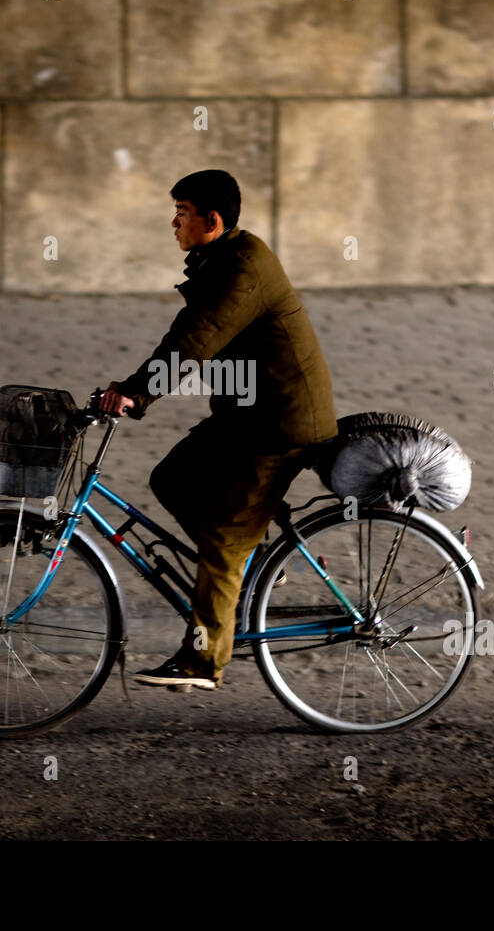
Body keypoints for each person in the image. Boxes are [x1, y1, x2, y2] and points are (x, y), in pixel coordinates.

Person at [98, 169, 338, 689]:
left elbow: (195, 340)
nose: (173, 224)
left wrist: (137, 392)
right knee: (173, 478)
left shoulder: (242, 268)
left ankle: (202, 660)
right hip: (247, 416)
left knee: (225, 541)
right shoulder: (223, 257)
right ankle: (244, 567)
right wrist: (135, 385)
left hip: (280, 423)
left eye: (181, 214)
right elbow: (183, 338)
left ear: (212, 220)